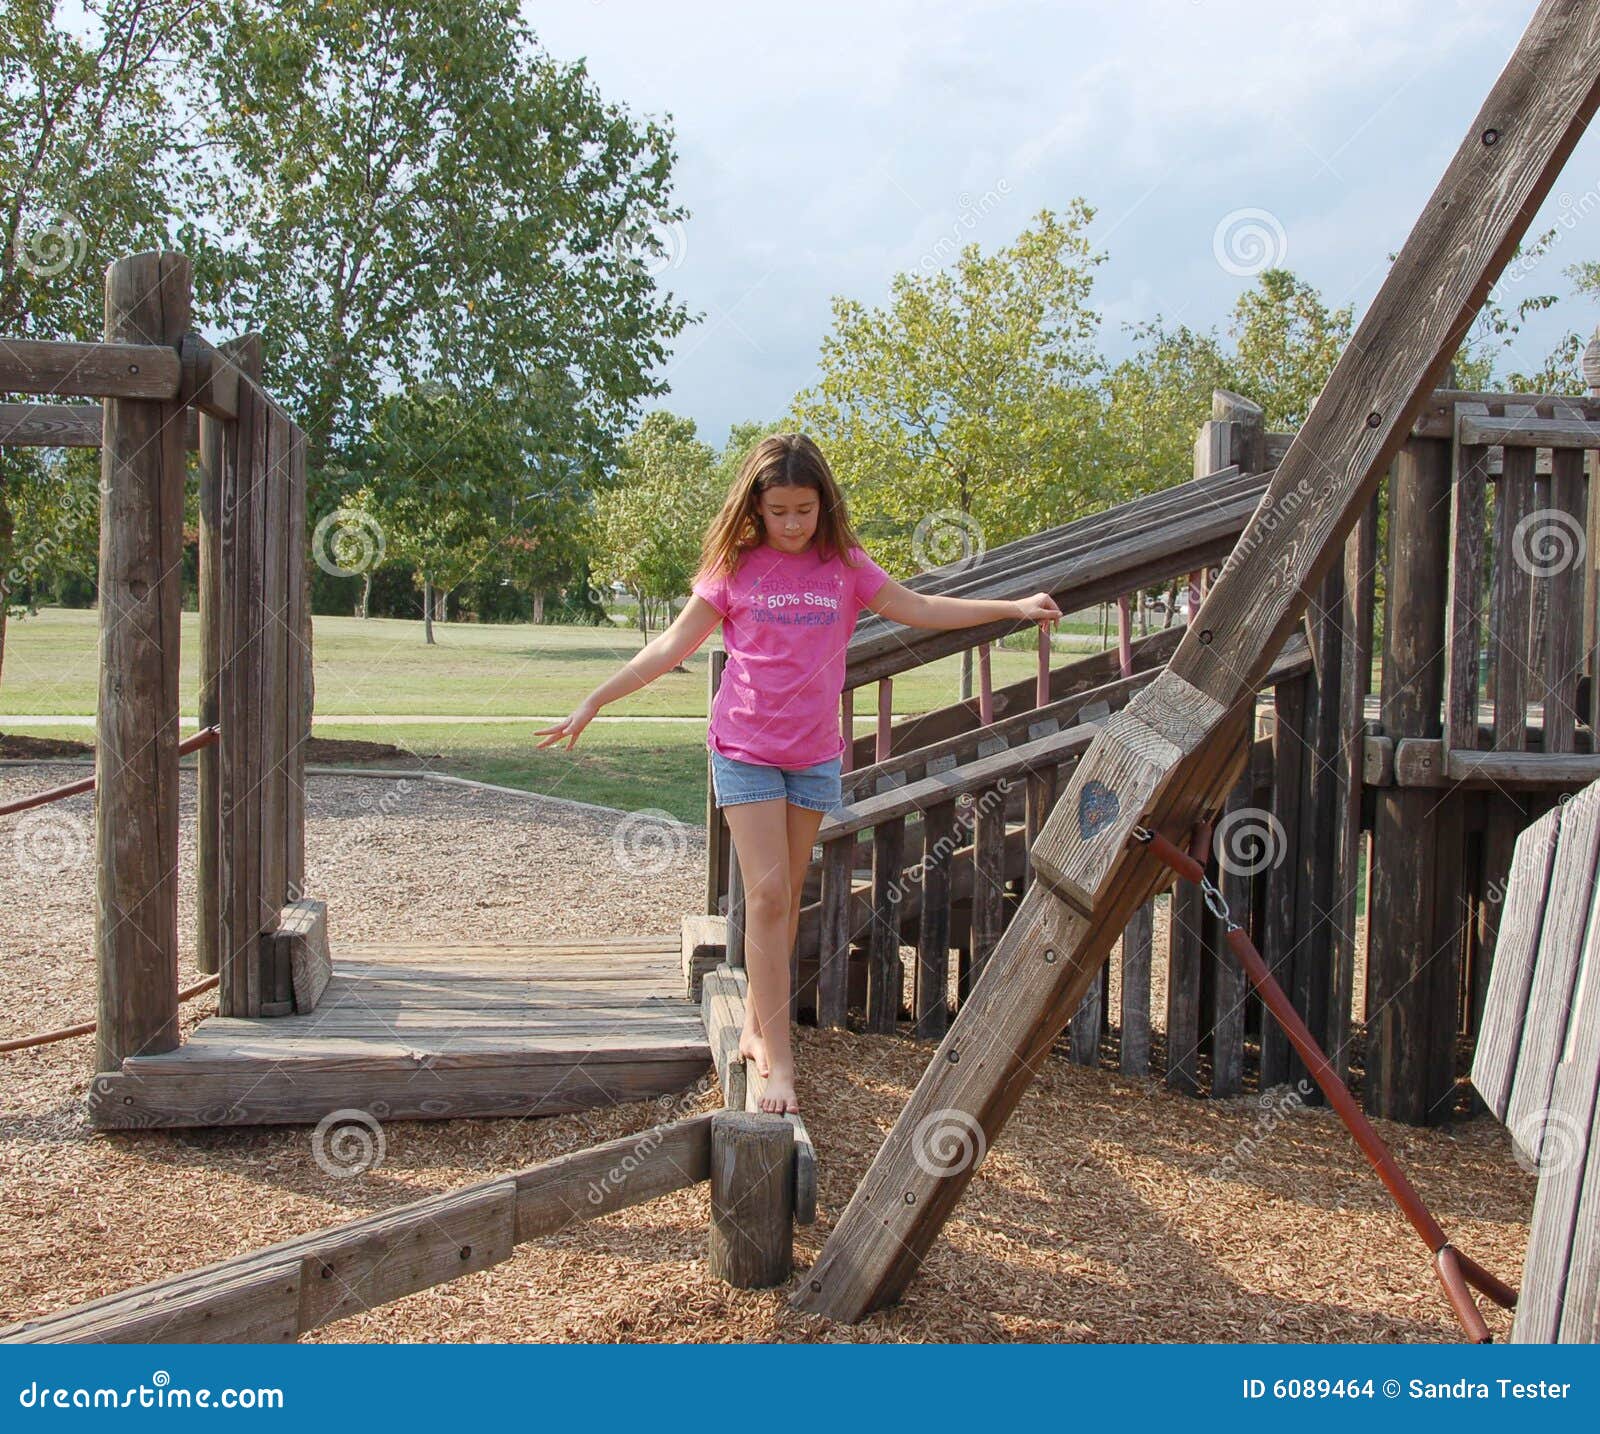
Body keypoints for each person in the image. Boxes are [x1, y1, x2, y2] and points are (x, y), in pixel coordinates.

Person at [536, 433, 1062, 1113]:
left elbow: (921, 609)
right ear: (755, 507)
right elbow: (672, 646)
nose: (790, 523)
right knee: (771, 898)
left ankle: (759, 1023)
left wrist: (1014, 608)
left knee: (781, 906)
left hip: (814, 756)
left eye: (803, 510)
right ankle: (779, 1063)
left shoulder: (843, 565)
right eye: (778, 510)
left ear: (824, 505)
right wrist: (595, 699)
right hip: (745, 751)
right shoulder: (734, 567)